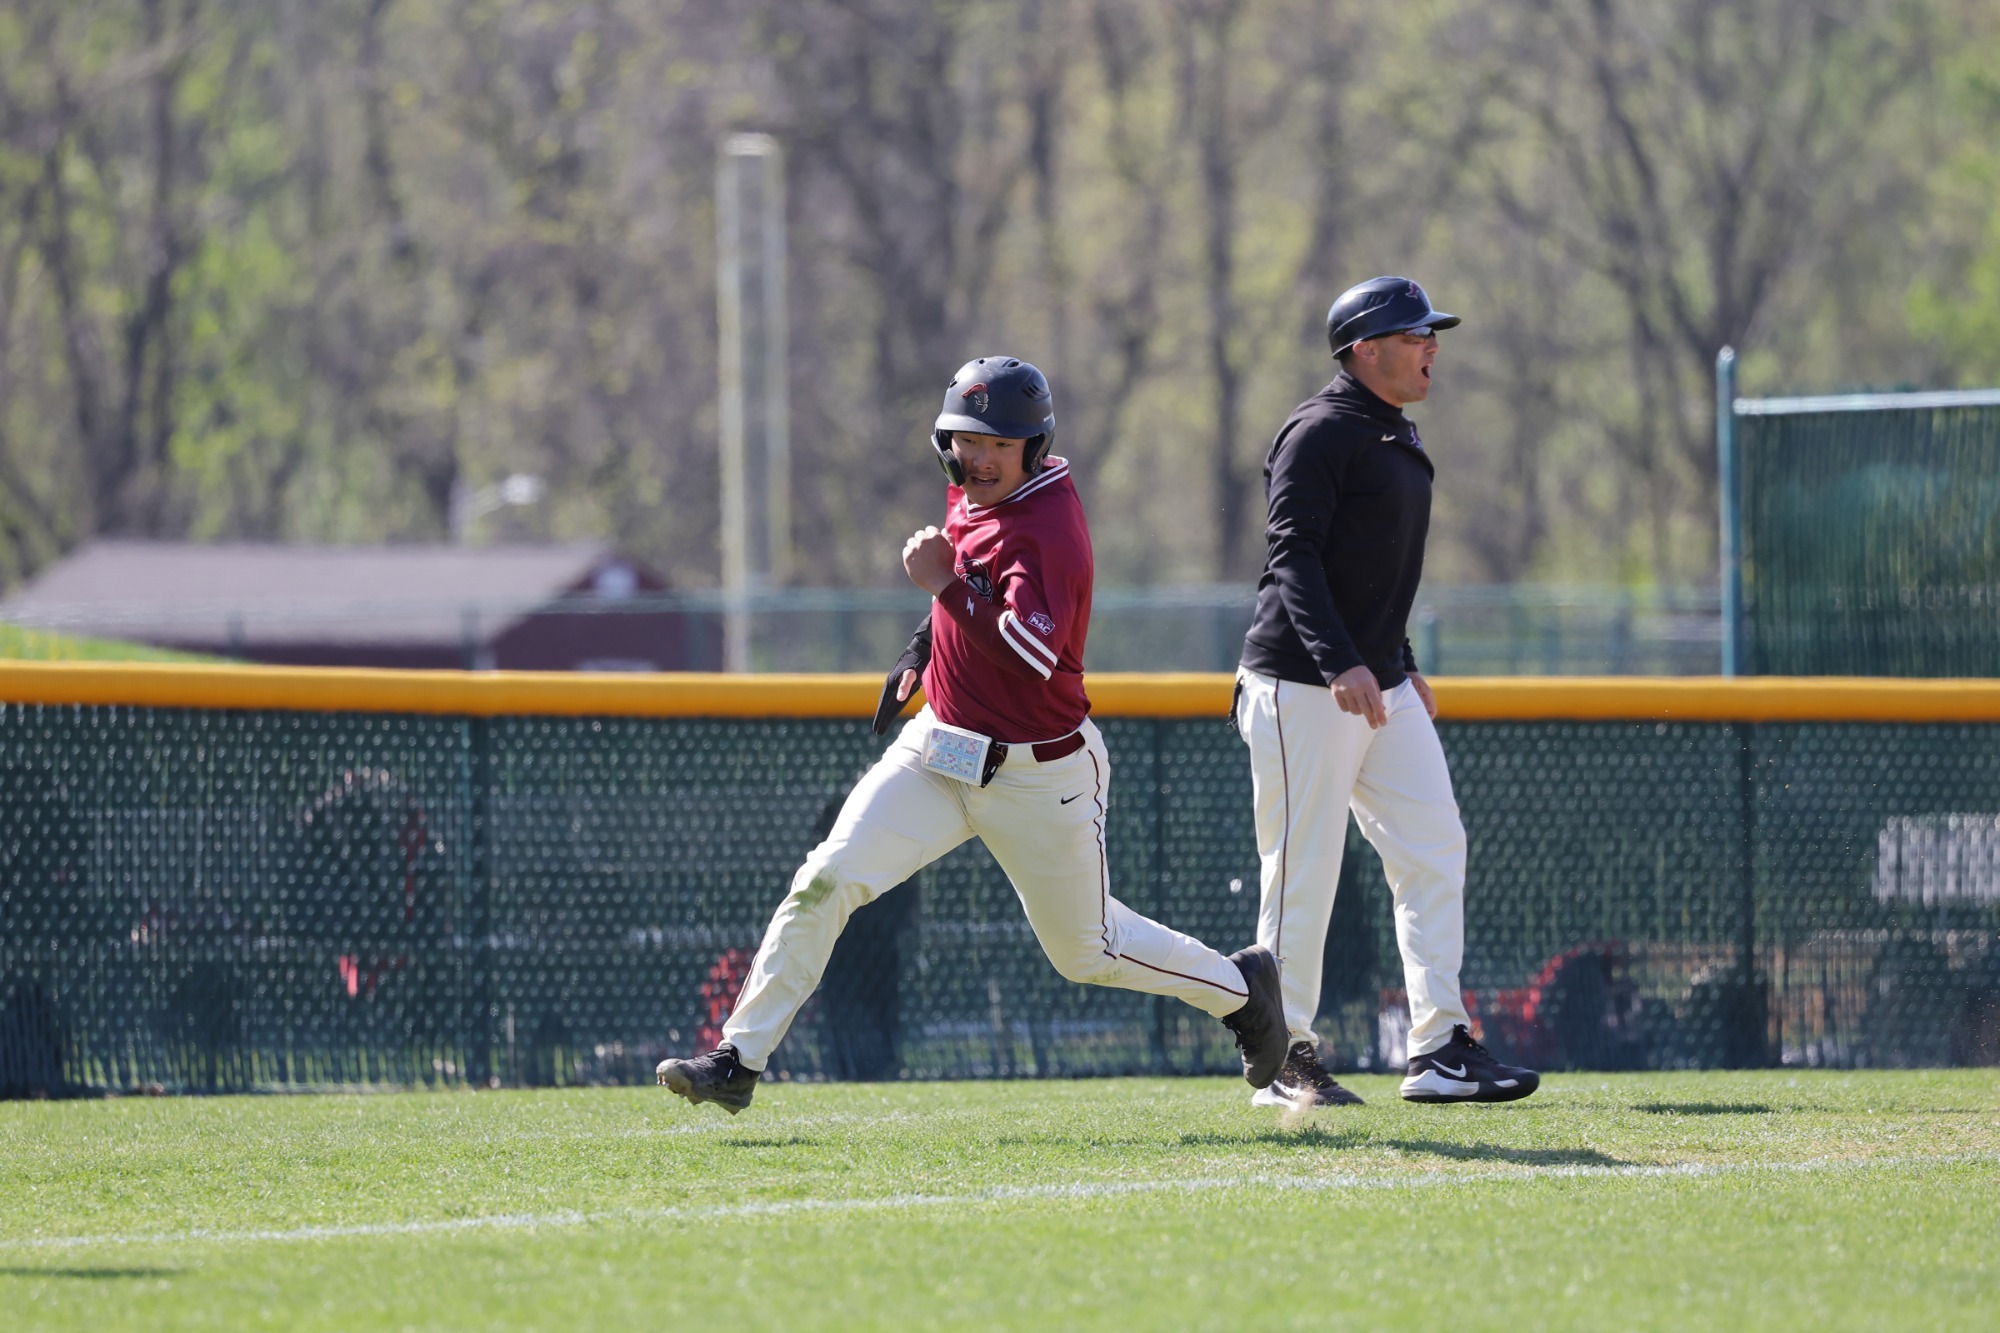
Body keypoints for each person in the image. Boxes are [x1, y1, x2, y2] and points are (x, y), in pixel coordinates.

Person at [659, 355, 1288, 1113]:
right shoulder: (969, 494)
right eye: (968, 438)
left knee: (1086, 951)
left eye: (1001, 442)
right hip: (940, 750)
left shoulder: (1050, 526)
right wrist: (920, 648)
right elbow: (960, 602)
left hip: (1039, 773)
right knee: (825, 879)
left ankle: (1243, 990)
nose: (981, 456)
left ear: (1035, 446)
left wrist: (946, 587)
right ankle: (739, 1059)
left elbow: (1032, 652)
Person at [1232, 277, 1539, 1107]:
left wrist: (1394, 657)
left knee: (1434, 841)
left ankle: (1438, 1048)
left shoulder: (1391, 430)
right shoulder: (1319, 432)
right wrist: (1341, 660)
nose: (1432, 344)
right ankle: (1282, 1058)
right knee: (1303, 873)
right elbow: (1292, 556)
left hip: (1377, 683)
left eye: (1432, 331)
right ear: (1365, 349)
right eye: (1414, 334)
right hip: (1304, 684)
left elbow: (1373, 570)